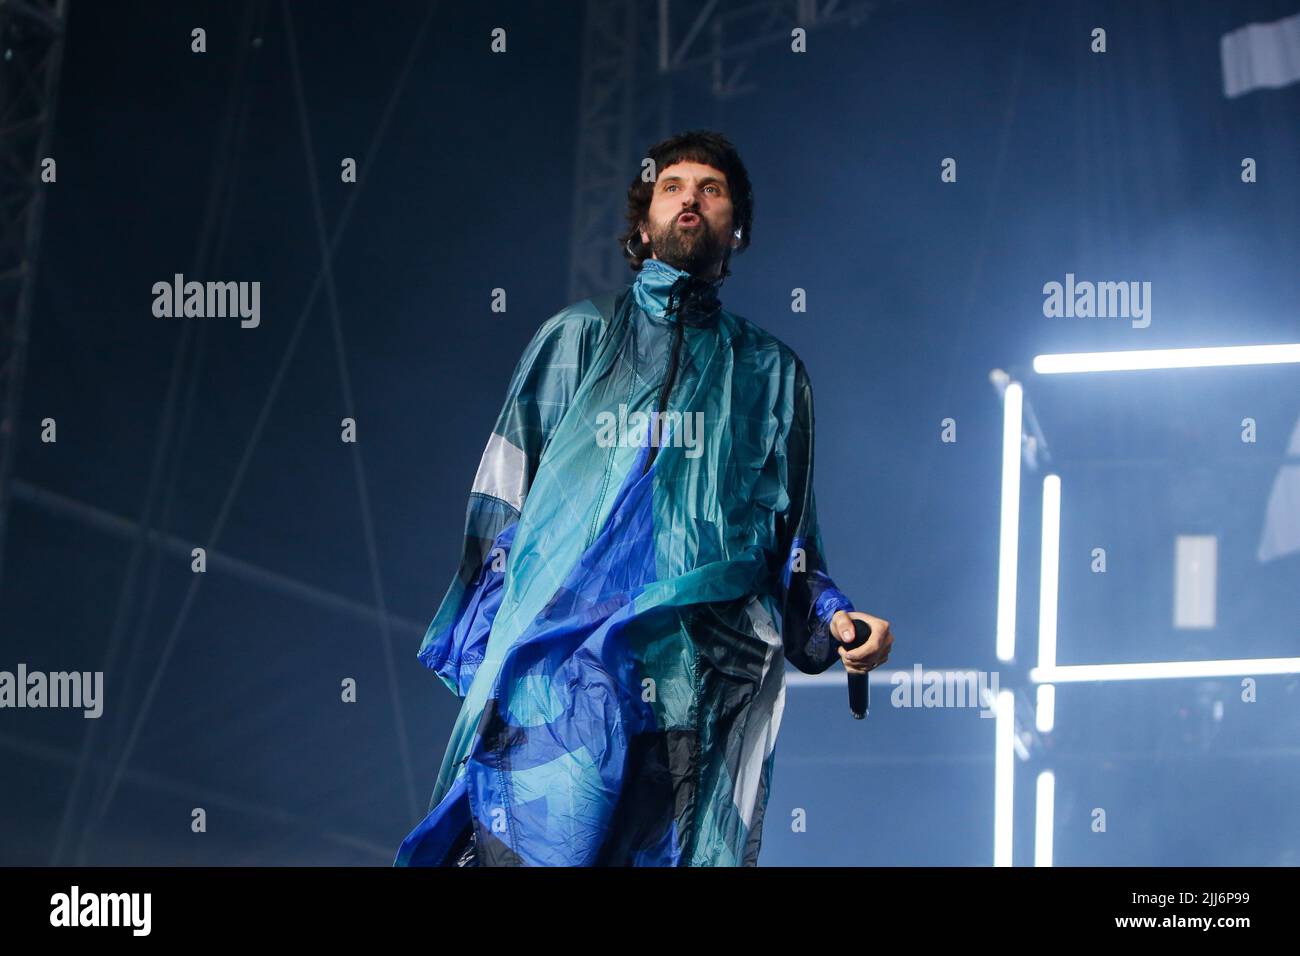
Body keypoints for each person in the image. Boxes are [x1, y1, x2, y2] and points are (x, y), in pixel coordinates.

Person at [394, 130, 894, 867]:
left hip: (700, 684)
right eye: (672, 185)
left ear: (738, 229)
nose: (691, 195)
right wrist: (494, 647)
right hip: (564, 671)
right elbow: (502, 498)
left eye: (712, 188)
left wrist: (834, 617)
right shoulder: (578, 339)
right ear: (641, 224)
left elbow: (792, 543)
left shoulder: (773, 374)